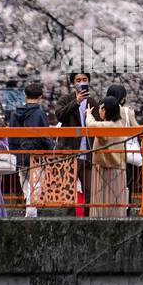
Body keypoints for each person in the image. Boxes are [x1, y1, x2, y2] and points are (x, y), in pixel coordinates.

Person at [85, 95, 132, 216]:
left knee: (101, 200)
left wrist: (89, 114)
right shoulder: (119, 124)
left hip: (103, 168)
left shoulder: (106, 126)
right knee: (116, 200)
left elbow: (90, 125)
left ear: (105, 110)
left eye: (101, 108)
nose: (100, 111)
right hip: (119, 167)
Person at [9, 82, 51, 218]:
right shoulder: (39, 114)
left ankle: (30, 210)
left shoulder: (15, 113)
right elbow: (45, 136)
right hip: (36, 155)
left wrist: (14, 152)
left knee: (25, 182)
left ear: (24, 95)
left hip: (20, 154)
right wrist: (50, 150)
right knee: (36, 184)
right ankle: (31, 213)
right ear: (40, 97)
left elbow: (11, 135)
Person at [55, 71, 93, 215]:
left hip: (88, 153)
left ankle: (89, 220)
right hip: (69, 151)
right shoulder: (65, 99)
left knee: (90, 191)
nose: (81, 82)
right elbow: (59, 115)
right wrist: (76, 102)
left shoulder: (93, 102)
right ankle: (68, 221)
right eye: (78, 80)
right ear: (73, 83)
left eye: (84, 79)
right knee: (68, 189)